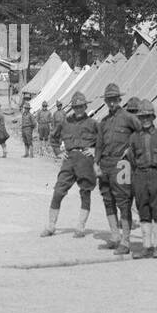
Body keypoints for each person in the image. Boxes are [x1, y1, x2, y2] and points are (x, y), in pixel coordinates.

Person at [40, 91, 99, 238]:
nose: (78, 109)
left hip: (85, 160)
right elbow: (53, 138)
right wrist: (58, 153)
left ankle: (80, 227)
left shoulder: (93, 124)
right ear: (72, 107)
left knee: (85, 192)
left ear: (85, 106)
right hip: (69, 159)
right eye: (76, 107)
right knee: (58, 190)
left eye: (81, 106)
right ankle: (51, 226)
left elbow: (103, 141)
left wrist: (94, 150)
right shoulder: (65, 122)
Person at [96, 82, 141, 255]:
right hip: (105, 165)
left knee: (123, 202)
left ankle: (126, 241)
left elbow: (142, 132)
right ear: (106, 101)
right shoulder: (104, 122)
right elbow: (99, 145)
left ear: (119, 99)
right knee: (108, 201)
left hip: (121, 165)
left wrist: (131, 149)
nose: (112, 103)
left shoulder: (128, 117)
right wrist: (95, 164)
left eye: (114, 99)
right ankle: (115, 236)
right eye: (109, 100)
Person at [127, 99, 157, 259]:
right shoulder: (134, 138)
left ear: (153, 117)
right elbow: (132, 159)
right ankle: (146, 247)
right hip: (141, 175)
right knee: (144, 210)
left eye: (148, 116)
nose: (145, 119)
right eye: (142, 117)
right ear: (139, 119)